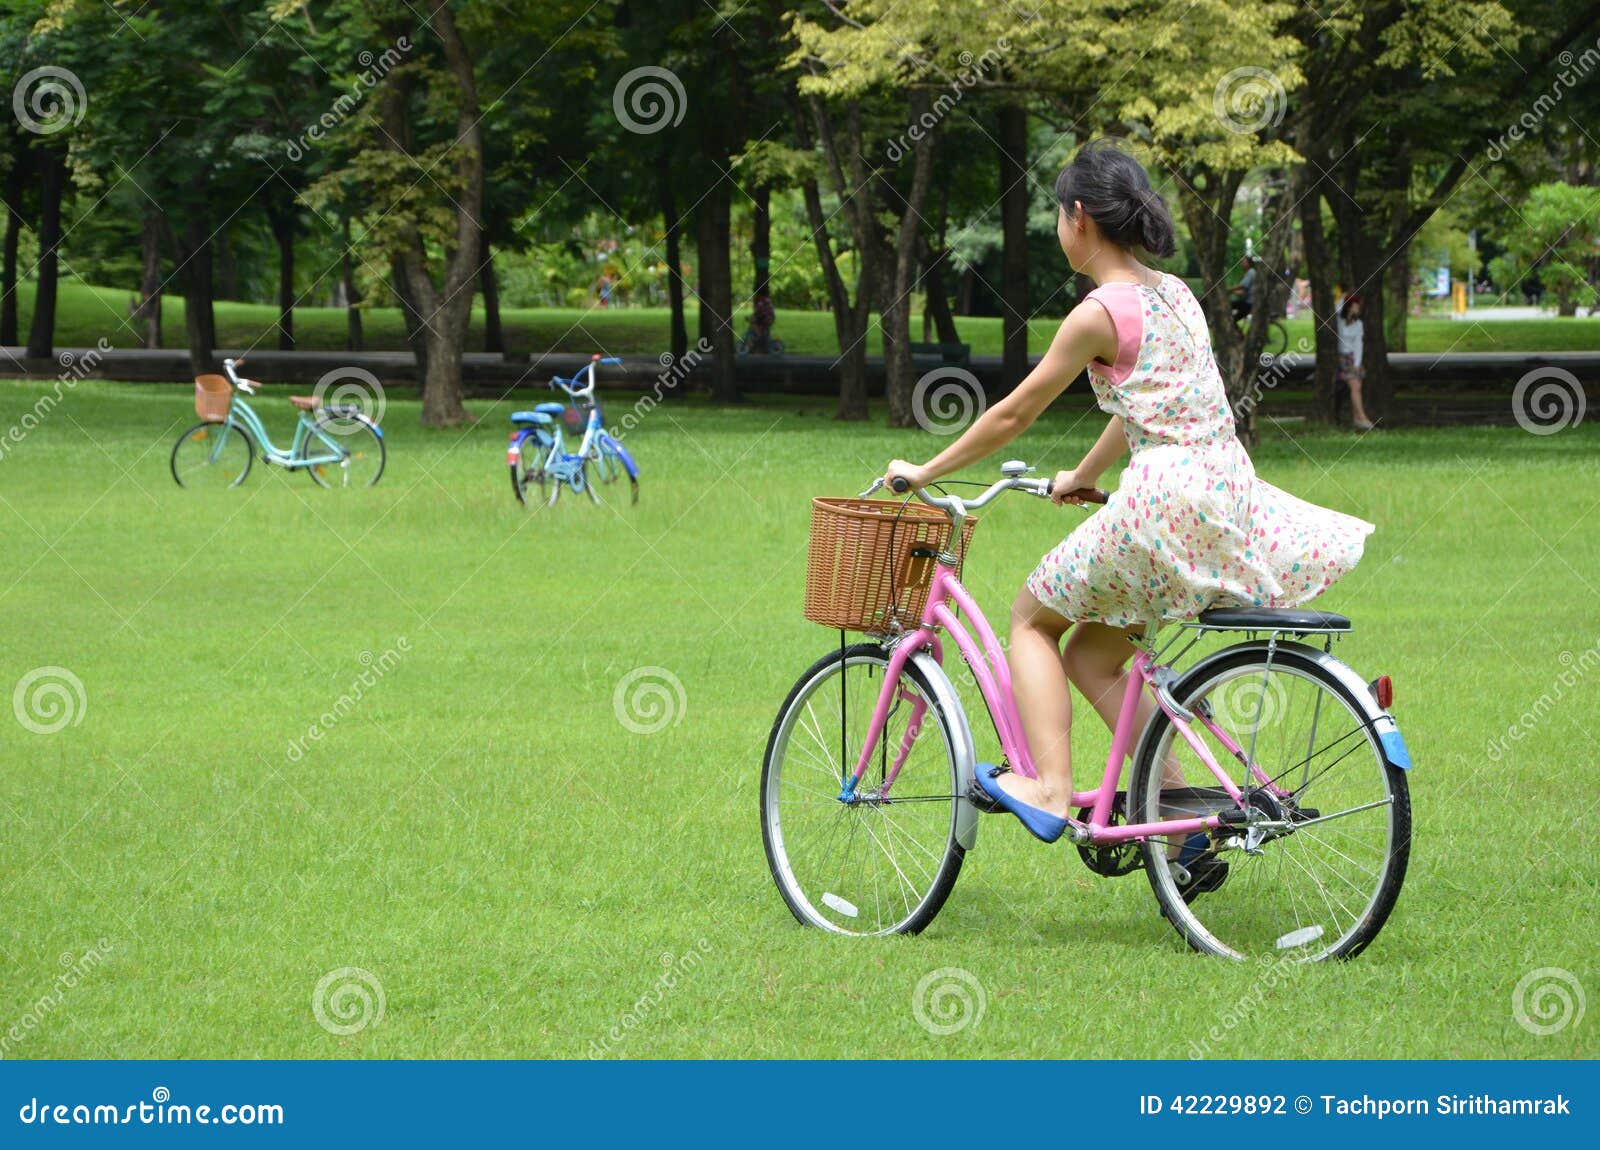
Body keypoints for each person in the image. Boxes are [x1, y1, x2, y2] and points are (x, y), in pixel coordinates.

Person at [882, 138, 1374, 845]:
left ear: (1079, 216)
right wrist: (1084, 476)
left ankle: (1048, 789)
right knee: (1092, 655)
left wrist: (927, 471)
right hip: (1226, 495)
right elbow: (1142, 406)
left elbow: (1014, 415)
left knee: (1030, 621)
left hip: (1163, 504)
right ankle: (1176, 818)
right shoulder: (1175, 294)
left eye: (1059, 214)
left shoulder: (1098, 313)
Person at [1336, 294, 1375, 430]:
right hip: (1341, 358)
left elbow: (1359, 345)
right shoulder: (1339, 321)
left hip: (1352, 358)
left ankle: (1357, 417)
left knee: (1357, 386)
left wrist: (1357, 364)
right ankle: (1362, 417)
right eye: (1355, 306)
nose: (1357, 309)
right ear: (1349, 307)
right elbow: (1337, 308)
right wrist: (1343, 298)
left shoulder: (1358, 324)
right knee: (1355, 386)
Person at [1230, 255, 1257, 321]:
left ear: (1249, 263)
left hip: (1248, 303)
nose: (1241, 264)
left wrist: (1229, 290)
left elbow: (1242, 286)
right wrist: (1233, 292)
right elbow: (1243, 292)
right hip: (1248, 302)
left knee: (1229, 305)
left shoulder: (1251, 272)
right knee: (1233, 319)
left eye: (1243, 262)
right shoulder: (1250, 272)